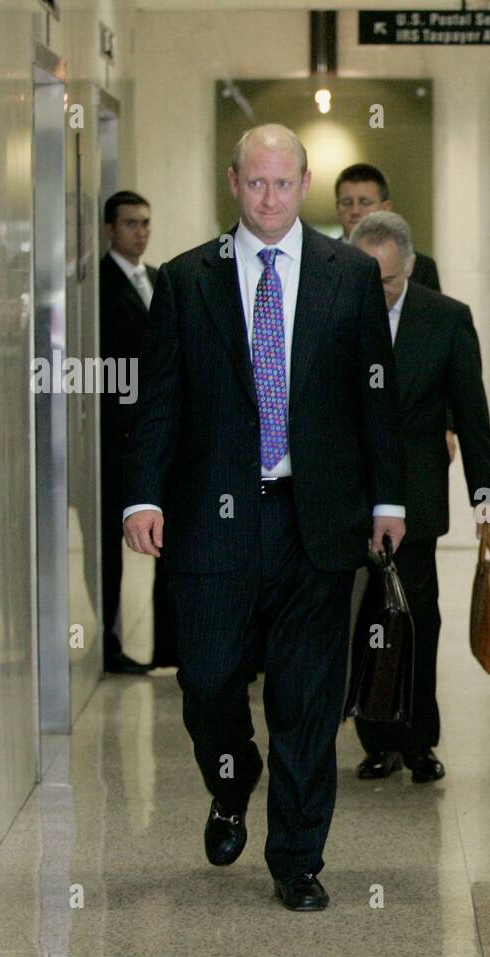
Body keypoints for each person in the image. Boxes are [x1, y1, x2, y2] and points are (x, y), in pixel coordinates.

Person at [122, 123, 405, 912]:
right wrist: (142, 496)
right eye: (256, 184)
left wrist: (389, 497)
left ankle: (297, 858)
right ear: (232, 181)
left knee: (308, 698)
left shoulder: (348, 274)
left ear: (304, 182)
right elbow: (160, 404)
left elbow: (374, 395)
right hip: (213, 520)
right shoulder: (187, 280)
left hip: (315, 520)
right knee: (209, 680)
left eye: (284, 184)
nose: (270, 199)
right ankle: (231, 773)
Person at [347, 211, 490, 783]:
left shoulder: (446, 320)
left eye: (385, 279)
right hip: (350, 495)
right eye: (367, 276)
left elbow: (474, 416)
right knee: (366, 618)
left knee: (416, 618)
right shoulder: (337, 310)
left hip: (417, 497)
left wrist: (485, 497)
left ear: (410, 268)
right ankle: (374, 737)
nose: (375, 289)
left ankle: (417, 739)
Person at [99, 190, 176, 674]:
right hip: (114, 436)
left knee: (167, 541)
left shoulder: (154, 279)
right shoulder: (98, 285)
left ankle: (168, 647)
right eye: (130, 223)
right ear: (110, 229)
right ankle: (106, 646)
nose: (140, 232)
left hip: (154, 432)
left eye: (146, 222)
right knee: (111, 545)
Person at [333, 164, 441, 292]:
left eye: (365, 202)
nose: (355, 210)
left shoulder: (421, 268)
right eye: (347, 202)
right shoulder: (320, 261)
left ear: (386, 208)